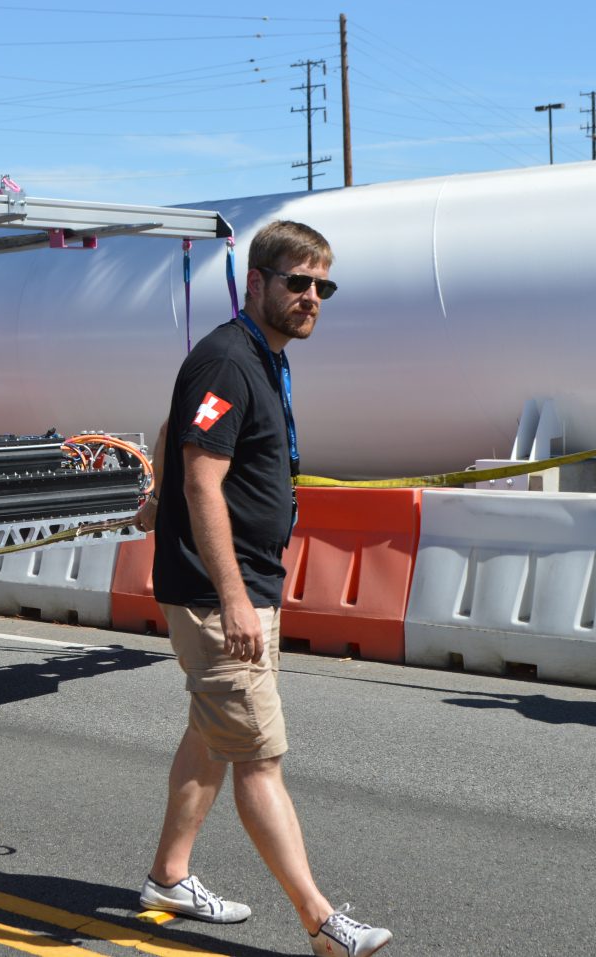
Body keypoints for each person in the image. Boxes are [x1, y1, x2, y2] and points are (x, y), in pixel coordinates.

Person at [133, 221, 392, 957]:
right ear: (257, 283)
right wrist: (236, 594)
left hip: (243, 585)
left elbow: (172, 429)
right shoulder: (228, 360)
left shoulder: (261, 358)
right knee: (259, 755)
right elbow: (203, 479)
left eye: (322, 286)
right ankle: (322, 922)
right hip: (223, 595)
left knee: (213, 737)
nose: (311, 297)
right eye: (297, 282)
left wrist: (155, 496)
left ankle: (167, 876)